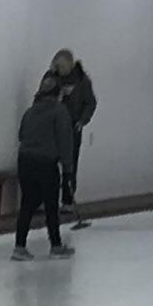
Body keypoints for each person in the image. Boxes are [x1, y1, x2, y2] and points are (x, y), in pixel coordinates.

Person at [10, 64, 83, 259]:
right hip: (45, 163)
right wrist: (68, 169)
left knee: (27, 203)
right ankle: (56, 246)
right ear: (58, 93)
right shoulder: (59, 112)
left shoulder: (30, 111)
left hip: (25, 161)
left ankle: (19, 247)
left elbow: (21, 135)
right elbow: (65, 141)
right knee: (51, 204)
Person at [40, 49, 99, 215]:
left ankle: (67, 200)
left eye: (62, 67)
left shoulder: (82, 80)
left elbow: (90, 103)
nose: (59, 71)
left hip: (72, 127)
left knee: (70, 164)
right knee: (48, 164)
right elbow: (40, 97)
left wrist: (82, 121)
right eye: (57, 67)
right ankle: (45, 199)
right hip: (51, 126)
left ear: (70, 66)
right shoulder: (50, 77)